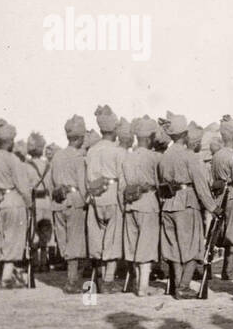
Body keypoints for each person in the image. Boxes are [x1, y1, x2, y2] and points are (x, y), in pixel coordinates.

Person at [157, 112, 218, 298]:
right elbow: (201, 185)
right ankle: (183, 287)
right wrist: (213, 208)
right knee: (194, 246)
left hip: (168, 205)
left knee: (174, 247)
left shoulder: (165, 156)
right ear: (185, 134)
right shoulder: (190, 156)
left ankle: (177, 285)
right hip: (187, 203)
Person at [0, 119, 34, 288]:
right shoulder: (13, 159)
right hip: (13, 202)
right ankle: (6, 277)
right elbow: (22, 185)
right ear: (10, 141)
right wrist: (29, 203)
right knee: (14, 239)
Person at [85, 105, 127, 292]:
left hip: (96, 195)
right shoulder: (119, 151)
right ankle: (108, 280)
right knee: (113, 237)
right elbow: (123, 178)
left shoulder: (92, 150)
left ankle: (101, 277)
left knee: (98, 237)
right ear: (114, 130)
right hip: (113, 193)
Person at [122, 116, 162, 296]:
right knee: (146, 245)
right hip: (148, 203)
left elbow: (123, 185)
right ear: (150, 137)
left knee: (133, 245)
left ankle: (138, 283)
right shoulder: (155, 158)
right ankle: (143, 287)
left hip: (130, 204)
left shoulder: (127, 157)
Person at [49, 116, 90, 292]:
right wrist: (87, 199)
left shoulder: (57, 156)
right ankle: (72, 282)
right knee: (75, 241)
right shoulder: (79, 157)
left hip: (58, 201)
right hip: (74, 200)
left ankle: (70, 278)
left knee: (63, 240)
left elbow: (51, 182)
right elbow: (82, 184)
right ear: (80, 138)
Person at [209, 114, 233, 281]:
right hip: (232, 196)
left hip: (218, 196)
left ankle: (208, 268)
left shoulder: (216, 155)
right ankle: (227, 271)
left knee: (216, 232)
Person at [24, 132, 53, 273]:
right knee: (45, 232)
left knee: (33, 232)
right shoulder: (48, 165)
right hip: (46, 201)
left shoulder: (26, 166)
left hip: (34, 201)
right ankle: (44, 261)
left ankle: (35, 262)